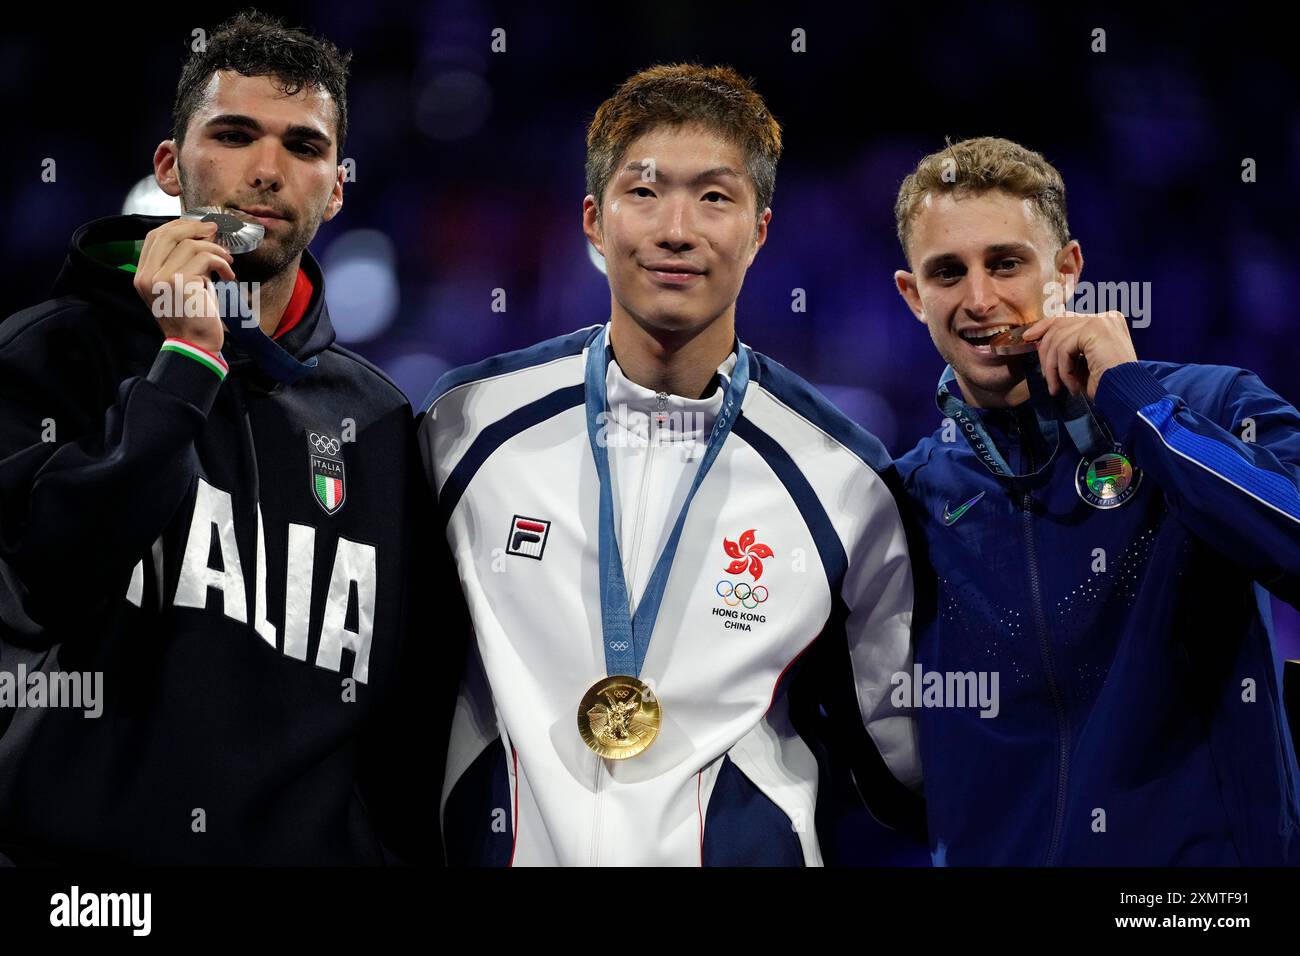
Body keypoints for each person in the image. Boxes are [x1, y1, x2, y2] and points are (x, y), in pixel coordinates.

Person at [420, 63, 922, 867]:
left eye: (715, 197)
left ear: (759, 231)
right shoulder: (467, 428)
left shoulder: (843, 478)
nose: (676, 229)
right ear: (594, 221)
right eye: (644, 192)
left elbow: (902, 762)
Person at [0, 10, 441, 864]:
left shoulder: (382, 425)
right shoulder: (51, 357)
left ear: (337, 185)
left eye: (304, 147)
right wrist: (185, 365)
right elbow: (41, 585)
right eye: (234, 135)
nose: (268, 171)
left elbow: (406, 722)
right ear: (171, 166)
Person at [892, 135, 1300, 865]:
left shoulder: (1213, 404)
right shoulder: (911, 497)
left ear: (1068, 272)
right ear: (912, 295)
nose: (980, 299)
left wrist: (1140, 408)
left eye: (1007, 263)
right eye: (948, 272)